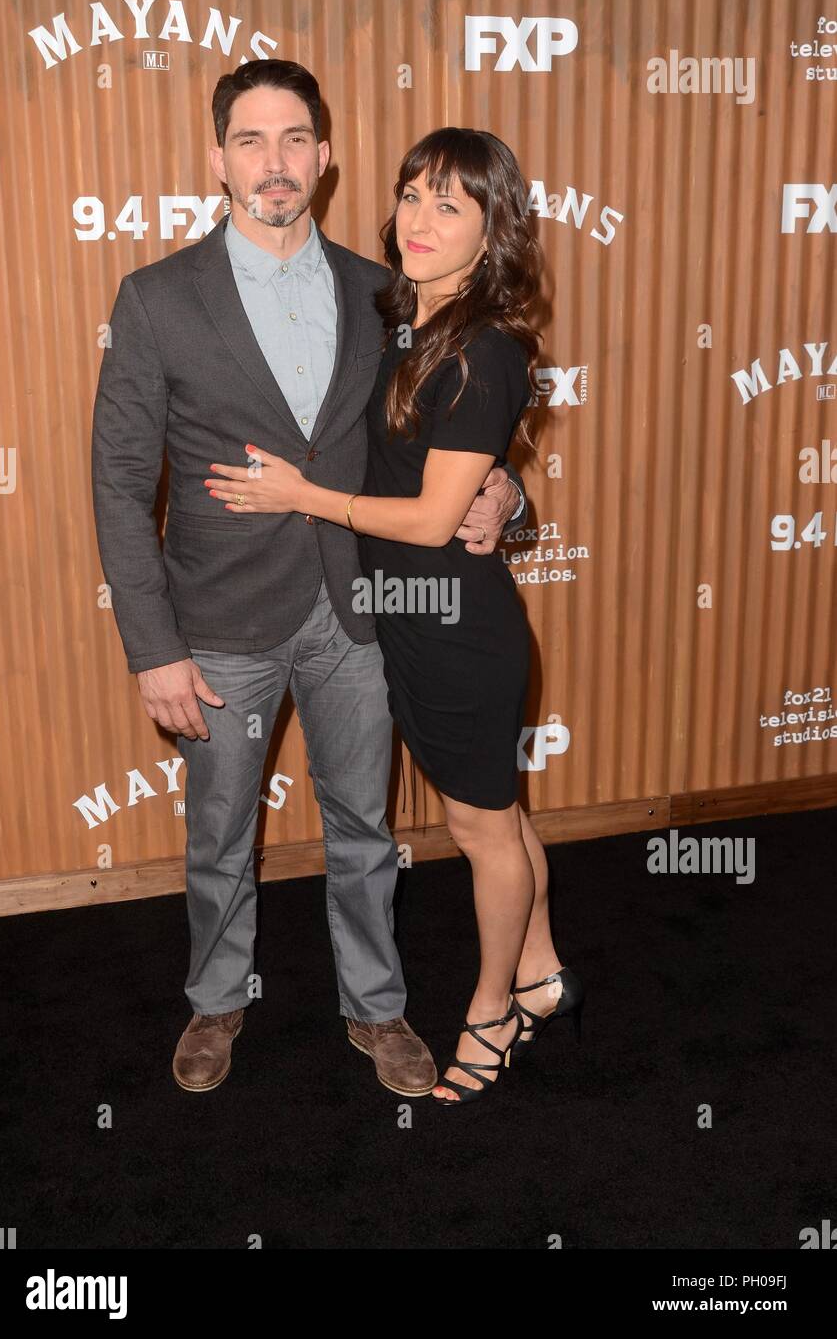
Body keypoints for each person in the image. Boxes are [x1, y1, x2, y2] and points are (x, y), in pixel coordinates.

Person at [91, 60, 530, 1097]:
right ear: (219, 160)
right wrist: (153, 647)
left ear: (325, 159)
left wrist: (508, 492)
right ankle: (217, 997)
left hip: (363, 609)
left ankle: (377, 1008)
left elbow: (450, 431)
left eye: (295, 140)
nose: (275, 161)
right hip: (222, 618)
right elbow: (117, 485)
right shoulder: (155, 300)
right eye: (251, 140)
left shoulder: (384, 294)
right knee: (219, 831)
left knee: (365, 828)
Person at [208, 126, 585, 1104]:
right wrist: (496, 482)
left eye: (449, 204)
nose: (419, 218)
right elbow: (437, 466)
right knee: (497, 809)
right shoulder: (402, 310)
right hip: (402, 621)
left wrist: (303, 495)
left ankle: (492, 1007)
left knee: (484, 827)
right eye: (412, 194)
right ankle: (543, 972)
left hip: (456, 628)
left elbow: (426, 514)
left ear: (494, 229)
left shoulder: (487, 346)